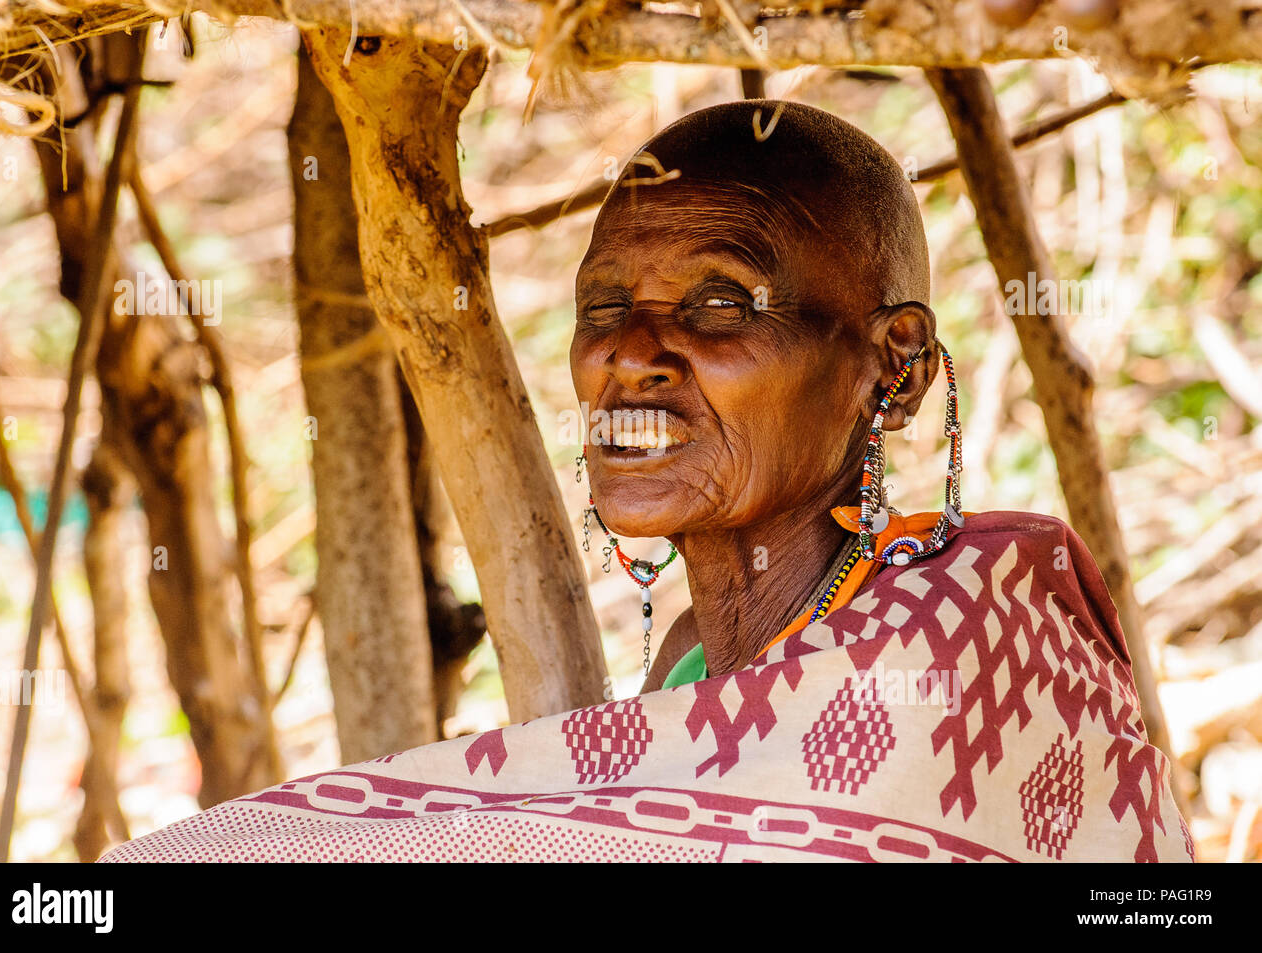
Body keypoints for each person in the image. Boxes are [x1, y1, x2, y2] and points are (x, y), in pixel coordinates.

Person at [103, 101, 1190, 863]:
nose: (632, 351)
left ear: (892, 368)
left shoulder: (964, 635)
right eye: (602, 307)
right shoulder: (687, 658)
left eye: (719, 306)